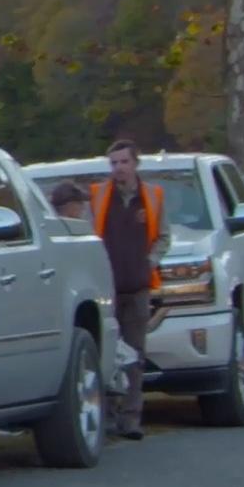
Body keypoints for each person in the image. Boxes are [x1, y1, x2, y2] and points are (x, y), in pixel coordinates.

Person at [89, 139, 171, 440]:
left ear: (136, 163)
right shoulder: (98, 196)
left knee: (135, 356)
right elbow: (88, 235)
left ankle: (131, 418)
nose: (119, 168)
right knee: (108, 354)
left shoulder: (153, 196)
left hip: (137, 287)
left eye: (124, 162)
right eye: (114, 163)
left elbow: (164, 236)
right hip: (106, 288)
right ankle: (107, 415)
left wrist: (148, 262)